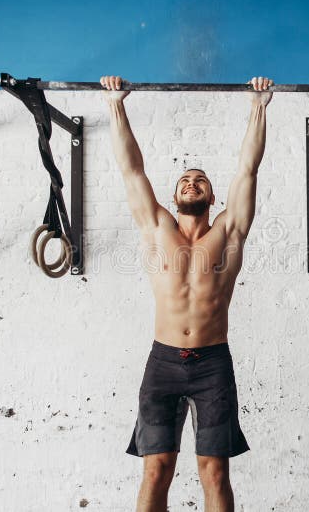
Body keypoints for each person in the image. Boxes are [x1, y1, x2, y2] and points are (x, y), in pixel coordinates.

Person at [100, 75, 273, 512]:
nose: (192, 183)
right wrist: (116, 105)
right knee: (156, 470)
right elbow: (131, 170)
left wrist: (258, 107)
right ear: (174, 195)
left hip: (212, 363)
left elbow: (248, 170)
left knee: (214, 473)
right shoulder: (156, 228)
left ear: (213, 197)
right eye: (184, 179)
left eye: (200, 180)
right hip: (163, 362)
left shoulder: (229, 231)